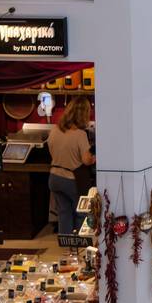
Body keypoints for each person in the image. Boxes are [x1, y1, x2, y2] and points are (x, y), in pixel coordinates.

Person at [48, 98, 95, 235]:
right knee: (81, 213)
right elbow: (86, 160)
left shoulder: (55, 130)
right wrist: (94, 157)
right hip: (72, 179)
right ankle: (79, 248)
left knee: (63, 214)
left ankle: (66, 249)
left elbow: (50, 150)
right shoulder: (80, 135)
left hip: (54, 178)